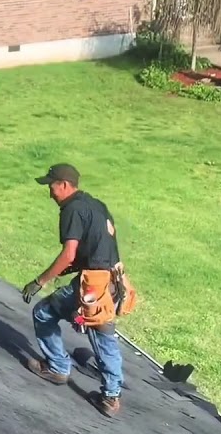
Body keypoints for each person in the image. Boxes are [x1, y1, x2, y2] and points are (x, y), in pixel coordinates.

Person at [20, 164, 136, 417]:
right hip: (113, 281)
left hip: (93, 287)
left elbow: (69, 253)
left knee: (43, 312)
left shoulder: (71, 209)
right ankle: (111, 396)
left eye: (51, 186)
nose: (50, 192)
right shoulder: (96, 205)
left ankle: (58, 367)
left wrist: (39, 281)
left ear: (64, 184)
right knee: (104, 335)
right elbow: (98, 246)